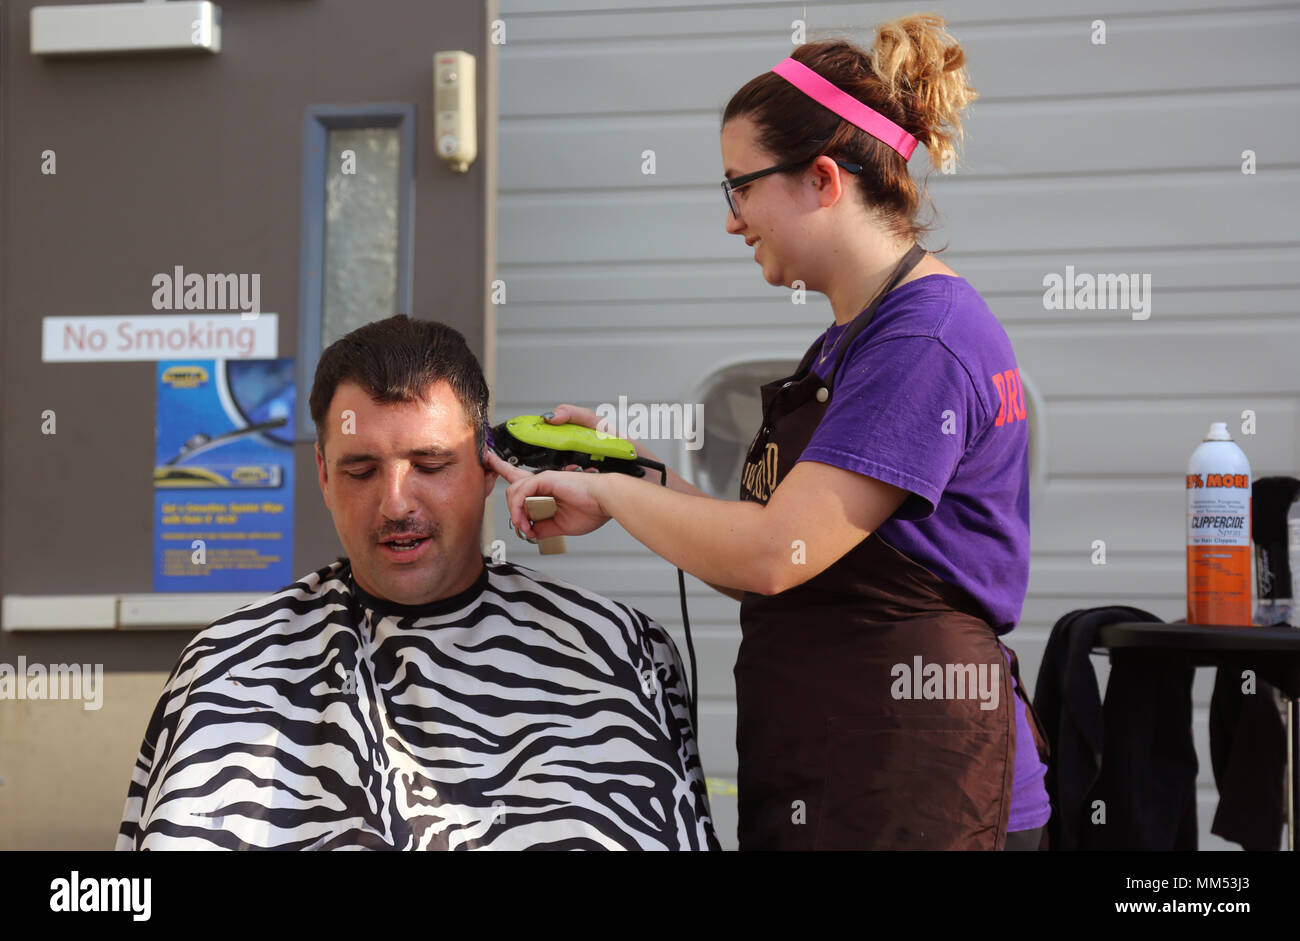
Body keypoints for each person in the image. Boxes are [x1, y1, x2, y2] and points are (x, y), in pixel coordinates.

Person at [487, 15, 1051, 850]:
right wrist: (629, 474)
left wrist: (607, 488)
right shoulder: (855, 336)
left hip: (921, 787)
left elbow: (771, 556)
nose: (731, 219)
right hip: (850, 771)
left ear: (822, 178)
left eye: (739, 187)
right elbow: (795, 561)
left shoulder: (922, 341)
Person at [116, 315, 718, 851]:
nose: (396, 503)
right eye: (361, 470)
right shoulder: (228, 666)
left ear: (489, 466)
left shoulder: (617, 650)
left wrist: (631, 481)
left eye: (431, 465)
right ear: (323, 475)